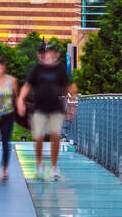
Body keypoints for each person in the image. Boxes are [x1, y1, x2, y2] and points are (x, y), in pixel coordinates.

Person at [17, 41, 77, 180]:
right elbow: (27, 85)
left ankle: (54, 167)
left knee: (55, 137)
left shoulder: (60, 68)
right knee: (38, 137)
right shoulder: (37, 68)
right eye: (47, 52)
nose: (49, 55)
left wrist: (72, 103)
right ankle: (39, 166)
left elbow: (68, 86)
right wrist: (20, 100)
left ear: (56, 54)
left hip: (55, 109)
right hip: (39, 109)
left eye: (52, 52)